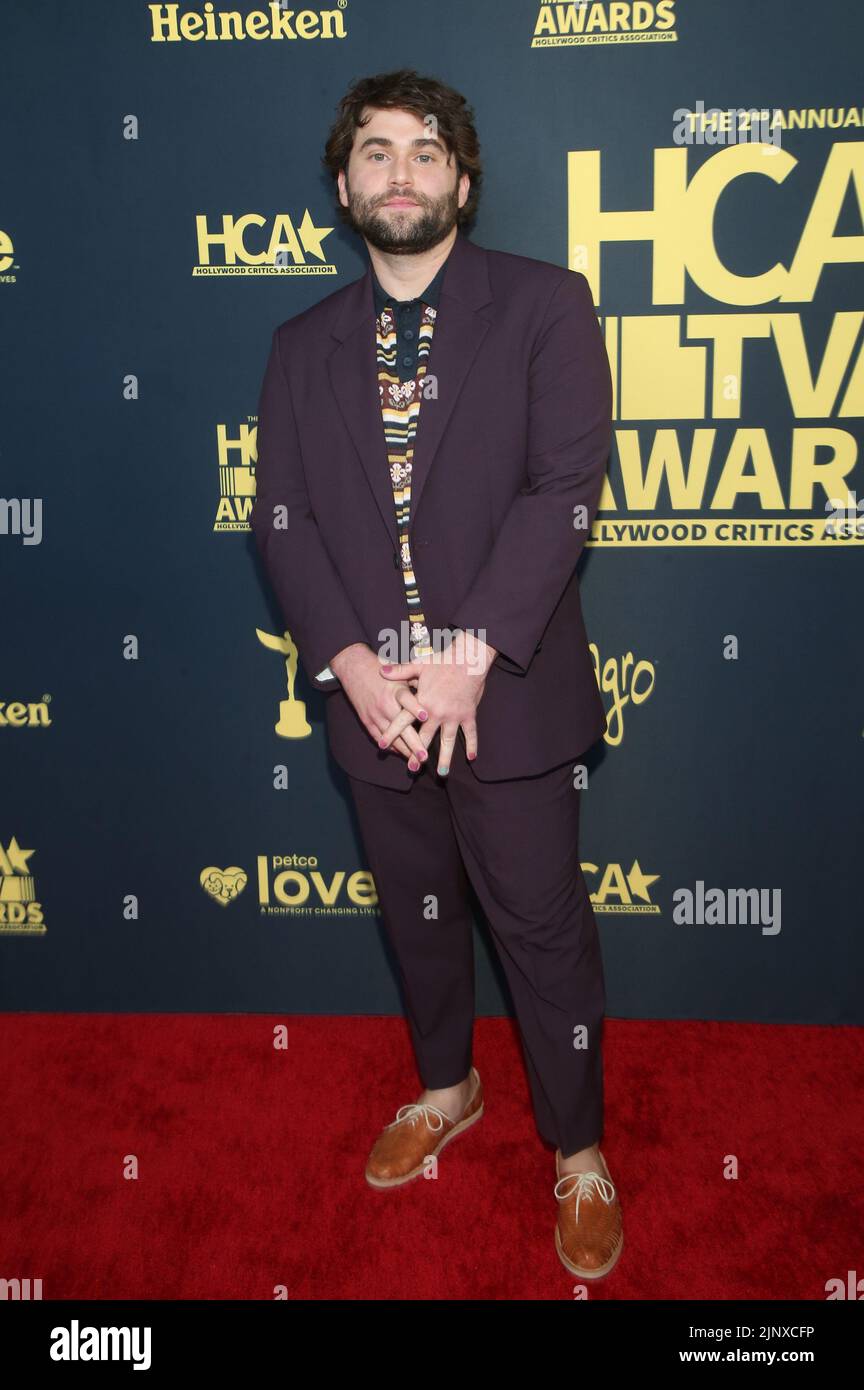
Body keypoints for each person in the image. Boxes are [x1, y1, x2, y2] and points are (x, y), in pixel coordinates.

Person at [250, 68, 622, 1279]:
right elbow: (283, 519)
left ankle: (579, 1151)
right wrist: (350, 662)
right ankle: (447, 1088)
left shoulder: (545, 306)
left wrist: (468, 660)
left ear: (462, 183)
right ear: (343, 184)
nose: (399, 170)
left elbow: (563, 491)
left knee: (543, 935)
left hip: (504, 694)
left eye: (425, 150)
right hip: (375, 705)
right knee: (417, 921)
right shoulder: (300, 347)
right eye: (375, 150)